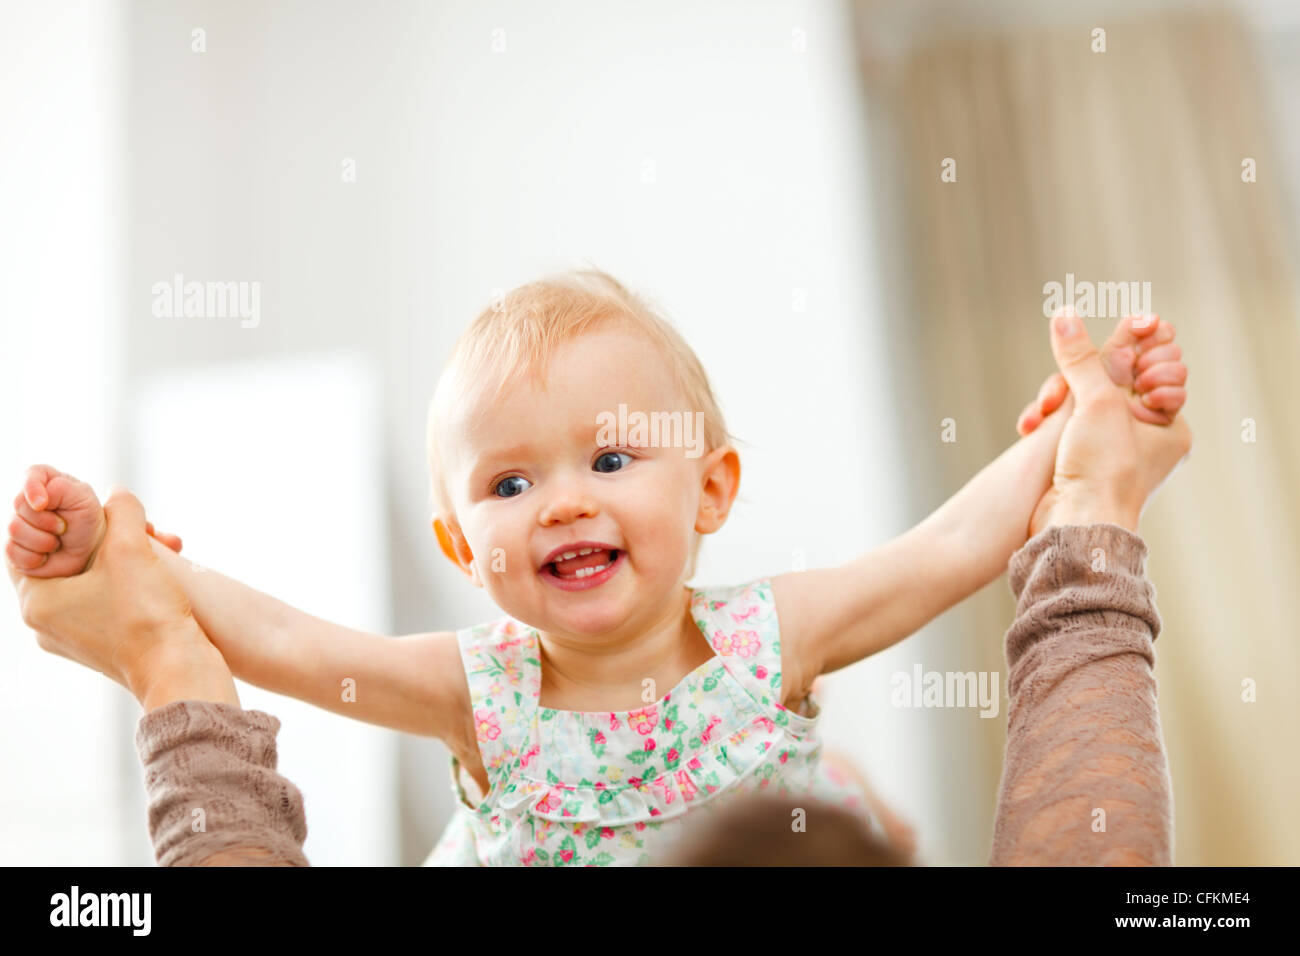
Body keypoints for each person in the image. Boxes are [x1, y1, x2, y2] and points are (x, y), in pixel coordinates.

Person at [6, 290, 1189, 865]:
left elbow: (938, 553)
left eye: (611, 457)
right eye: (508, 484)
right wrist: (137, 567)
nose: (563, 498)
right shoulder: (483, 686)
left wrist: (1077, 431)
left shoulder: (765, 635)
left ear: (711, 490)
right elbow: (299, 647)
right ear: (464, 550)